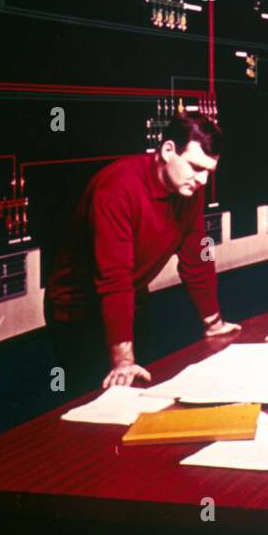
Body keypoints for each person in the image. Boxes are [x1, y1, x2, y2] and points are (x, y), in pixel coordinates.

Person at [44, 112, 239, 392]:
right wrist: (122, 360)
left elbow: (199, 257)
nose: (203, 181)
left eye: (209, 171)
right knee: (96, 405)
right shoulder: (116, 189)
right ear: (168, 150)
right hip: (78, 311)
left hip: (131, 299)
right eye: (196, 167)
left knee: (144, 391)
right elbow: (114, 277)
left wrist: (214, 323)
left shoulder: (189, 189)